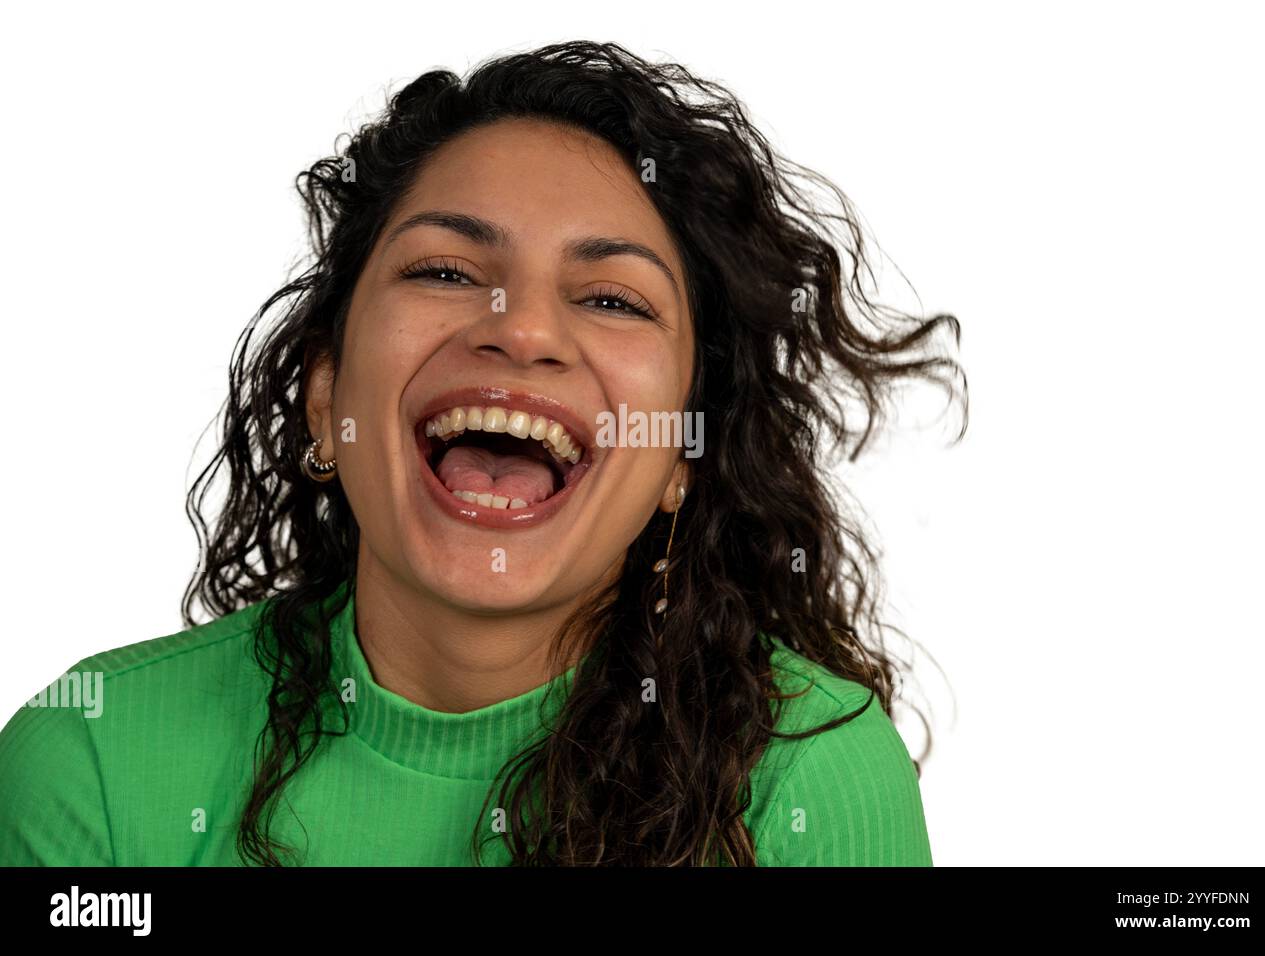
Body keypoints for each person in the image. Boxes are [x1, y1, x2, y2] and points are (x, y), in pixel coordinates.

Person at [0, 40, 964, 866]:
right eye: (447, 272)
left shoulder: (810, 777)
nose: (520, 329)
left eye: (613, 298)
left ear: (683, 453)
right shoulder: (91, 758)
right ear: (327, 393)